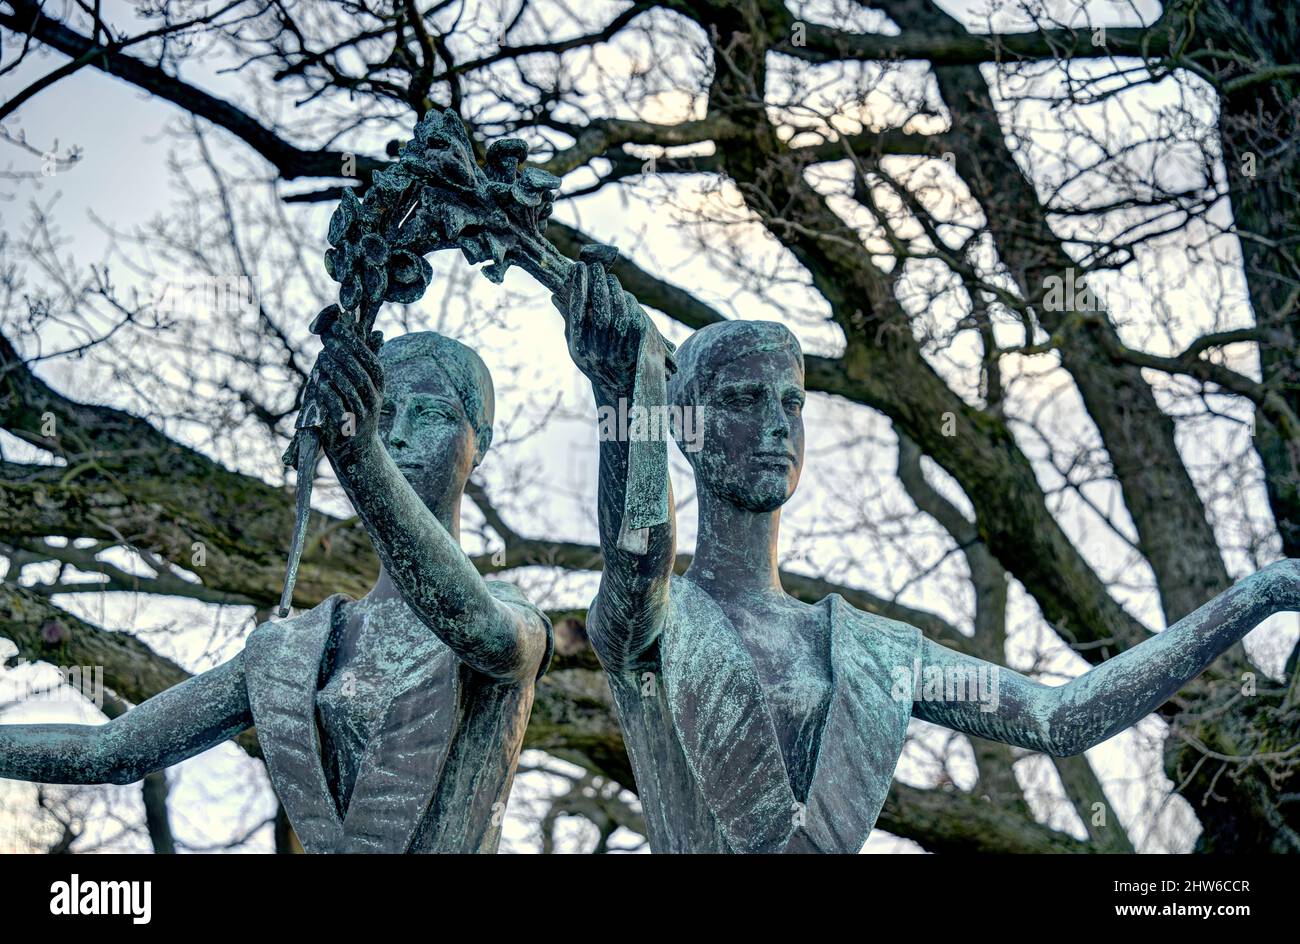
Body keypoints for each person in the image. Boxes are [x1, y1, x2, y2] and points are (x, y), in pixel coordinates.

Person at [559, 249, 1300, 854]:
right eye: (742, 401)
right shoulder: (655, 625)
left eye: (791, 402)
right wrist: (625, 401)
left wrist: (1259, 593)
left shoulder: (874, 650)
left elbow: (1057, 718)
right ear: (685, 429)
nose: (777, 425)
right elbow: (638, 558)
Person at [0, 315, 552, 853]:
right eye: (383, 417)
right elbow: (112, 751)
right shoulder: (293, 650)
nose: (401, 437)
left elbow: (478, 629)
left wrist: (364, 464)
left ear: (481, 443)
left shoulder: (508, 616)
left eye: (431, 414)